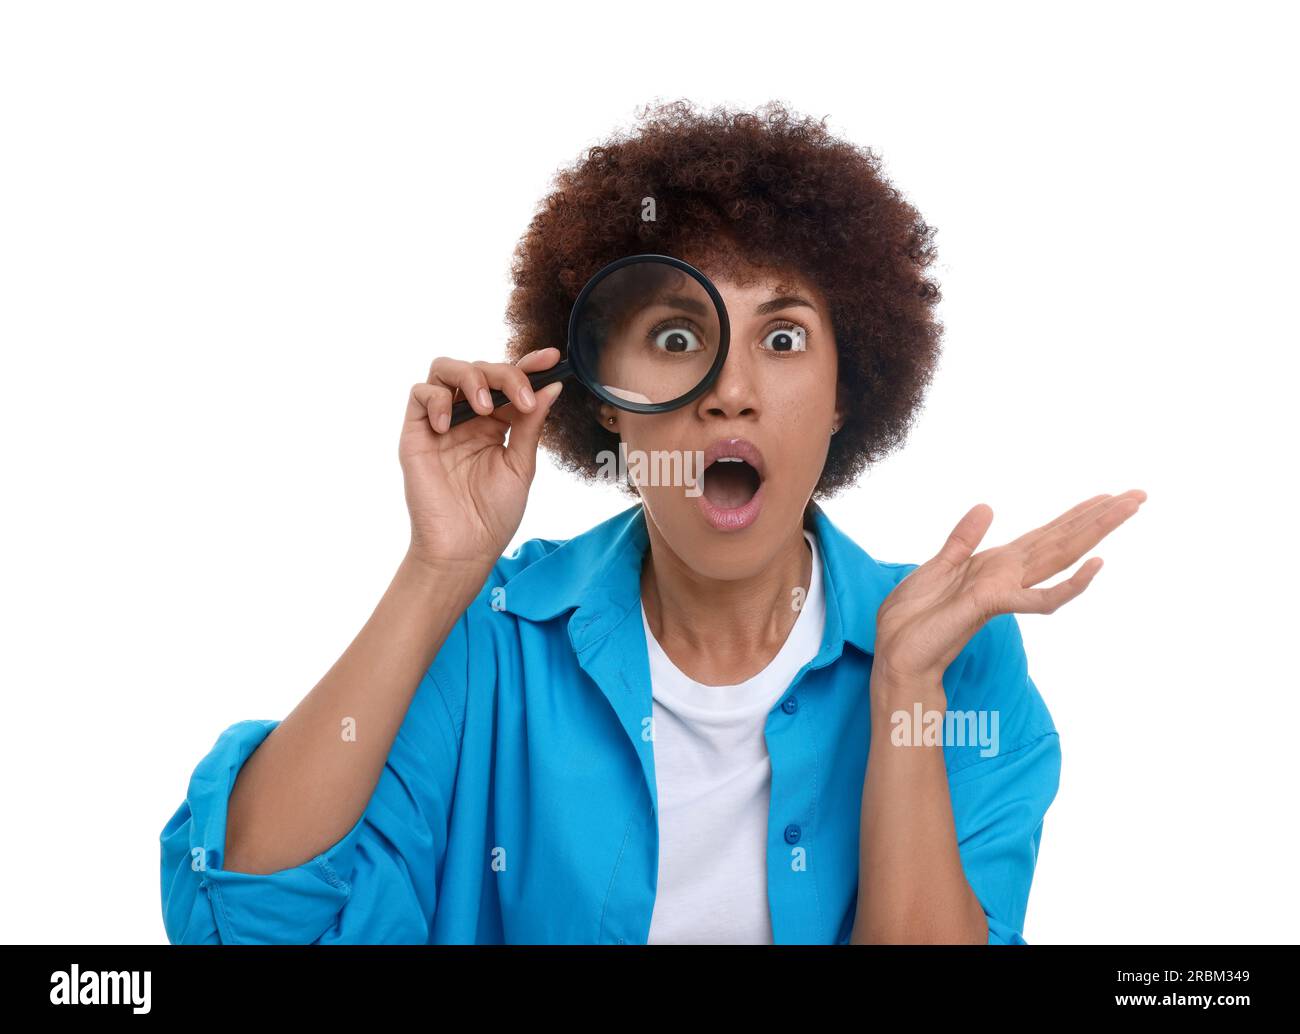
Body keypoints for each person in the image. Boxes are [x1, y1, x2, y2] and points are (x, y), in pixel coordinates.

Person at [159, 100, 1145, 944]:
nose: (731, 393)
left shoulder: (954, 654)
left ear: (848, 392)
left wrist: (904, 688)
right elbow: (246, 914)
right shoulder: (484, 640)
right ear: (607, 399)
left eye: (785, 336)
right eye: (677, 336)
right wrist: (435, 571)